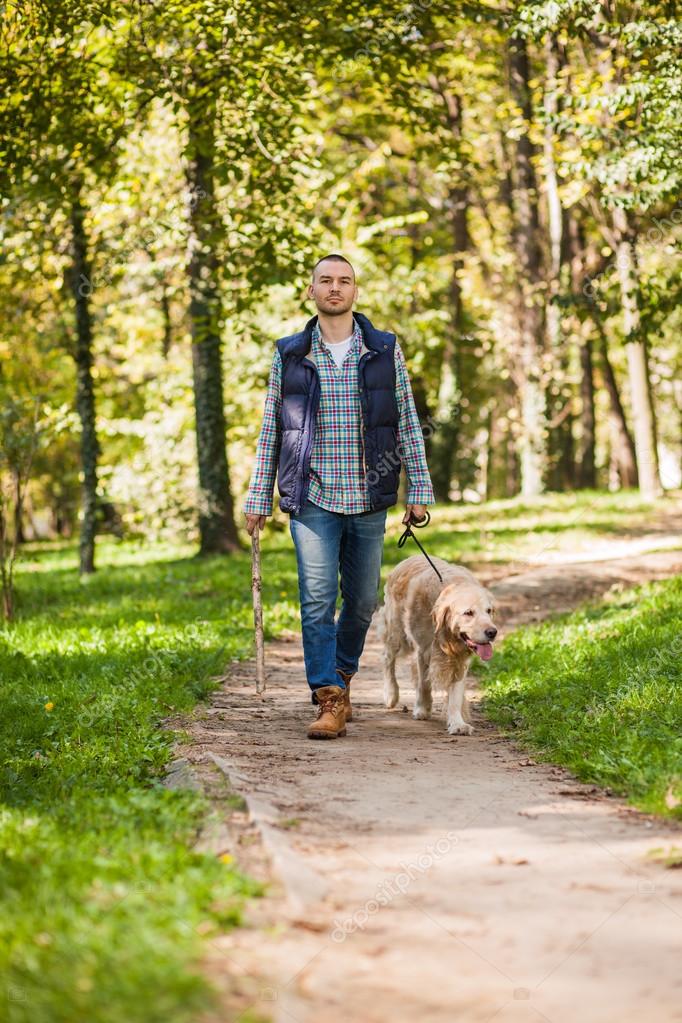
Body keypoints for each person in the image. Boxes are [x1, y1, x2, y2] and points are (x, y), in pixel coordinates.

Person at [244, 253, 435, 739]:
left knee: (362, 601)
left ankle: (343, 675)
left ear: (355, 291)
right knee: (316, 599)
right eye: (325, 281)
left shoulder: (384, 349)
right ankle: (328, 696)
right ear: (312, 291)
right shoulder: (289, 354)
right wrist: (257, 496)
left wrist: (419, 485)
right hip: (311, 497)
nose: (335, 288)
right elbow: (272, 429)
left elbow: (407, 420)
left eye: (344, 281)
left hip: (370, 494)